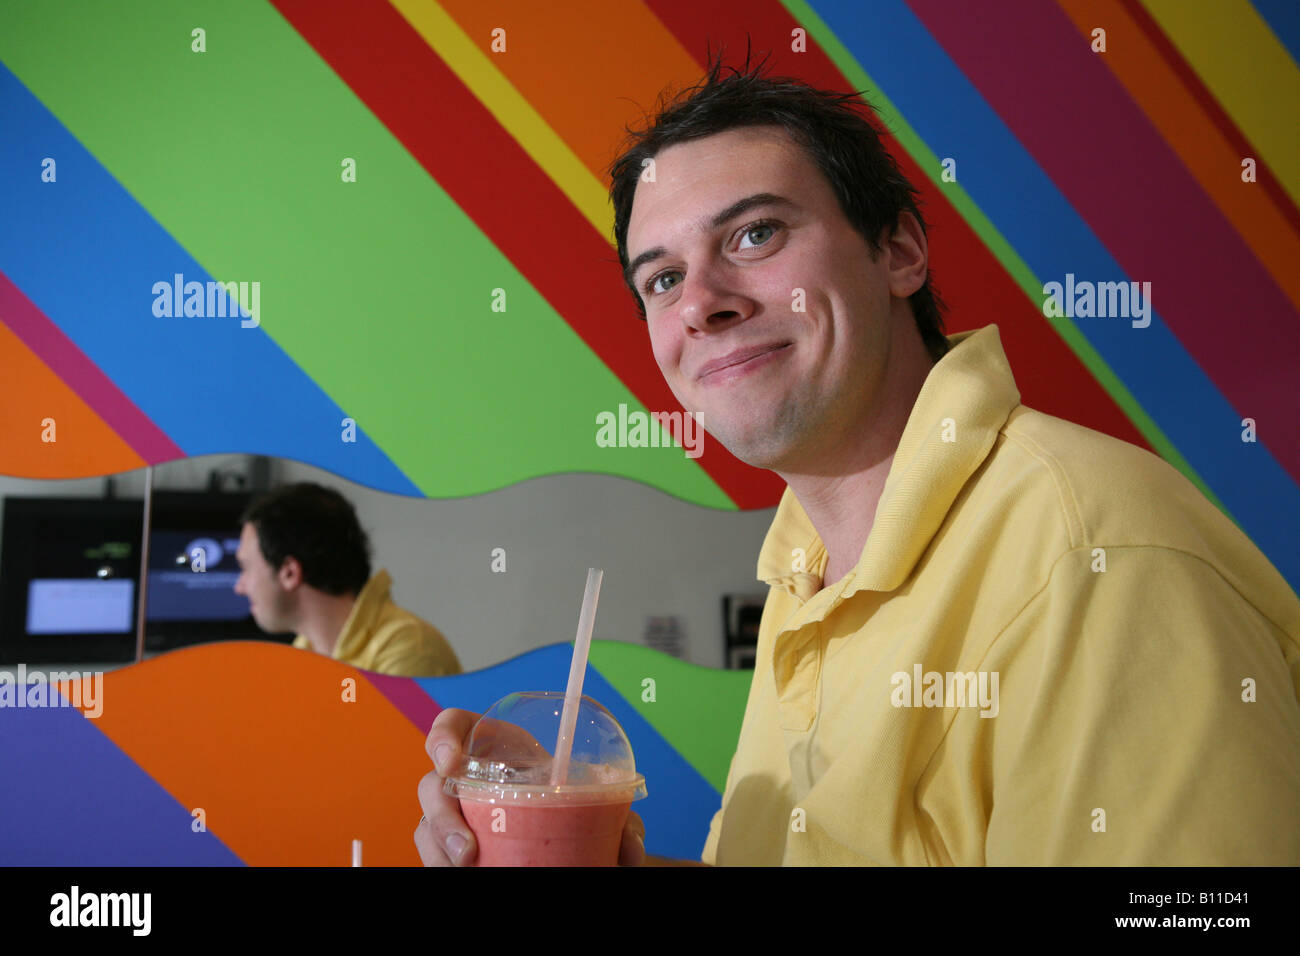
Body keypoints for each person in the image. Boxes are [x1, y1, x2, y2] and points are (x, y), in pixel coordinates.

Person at [416, 55, 1300, 865]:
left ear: (898, 252)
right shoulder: (806, 565)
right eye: (662, 278)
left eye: (755, 234)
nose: (702, 304)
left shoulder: (1093, 560)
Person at [234, 482, 461, 678]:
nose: (239, 587)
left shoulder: (409, 649)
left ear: (290, 573)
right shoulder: (302, 653)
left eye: (245, 568)